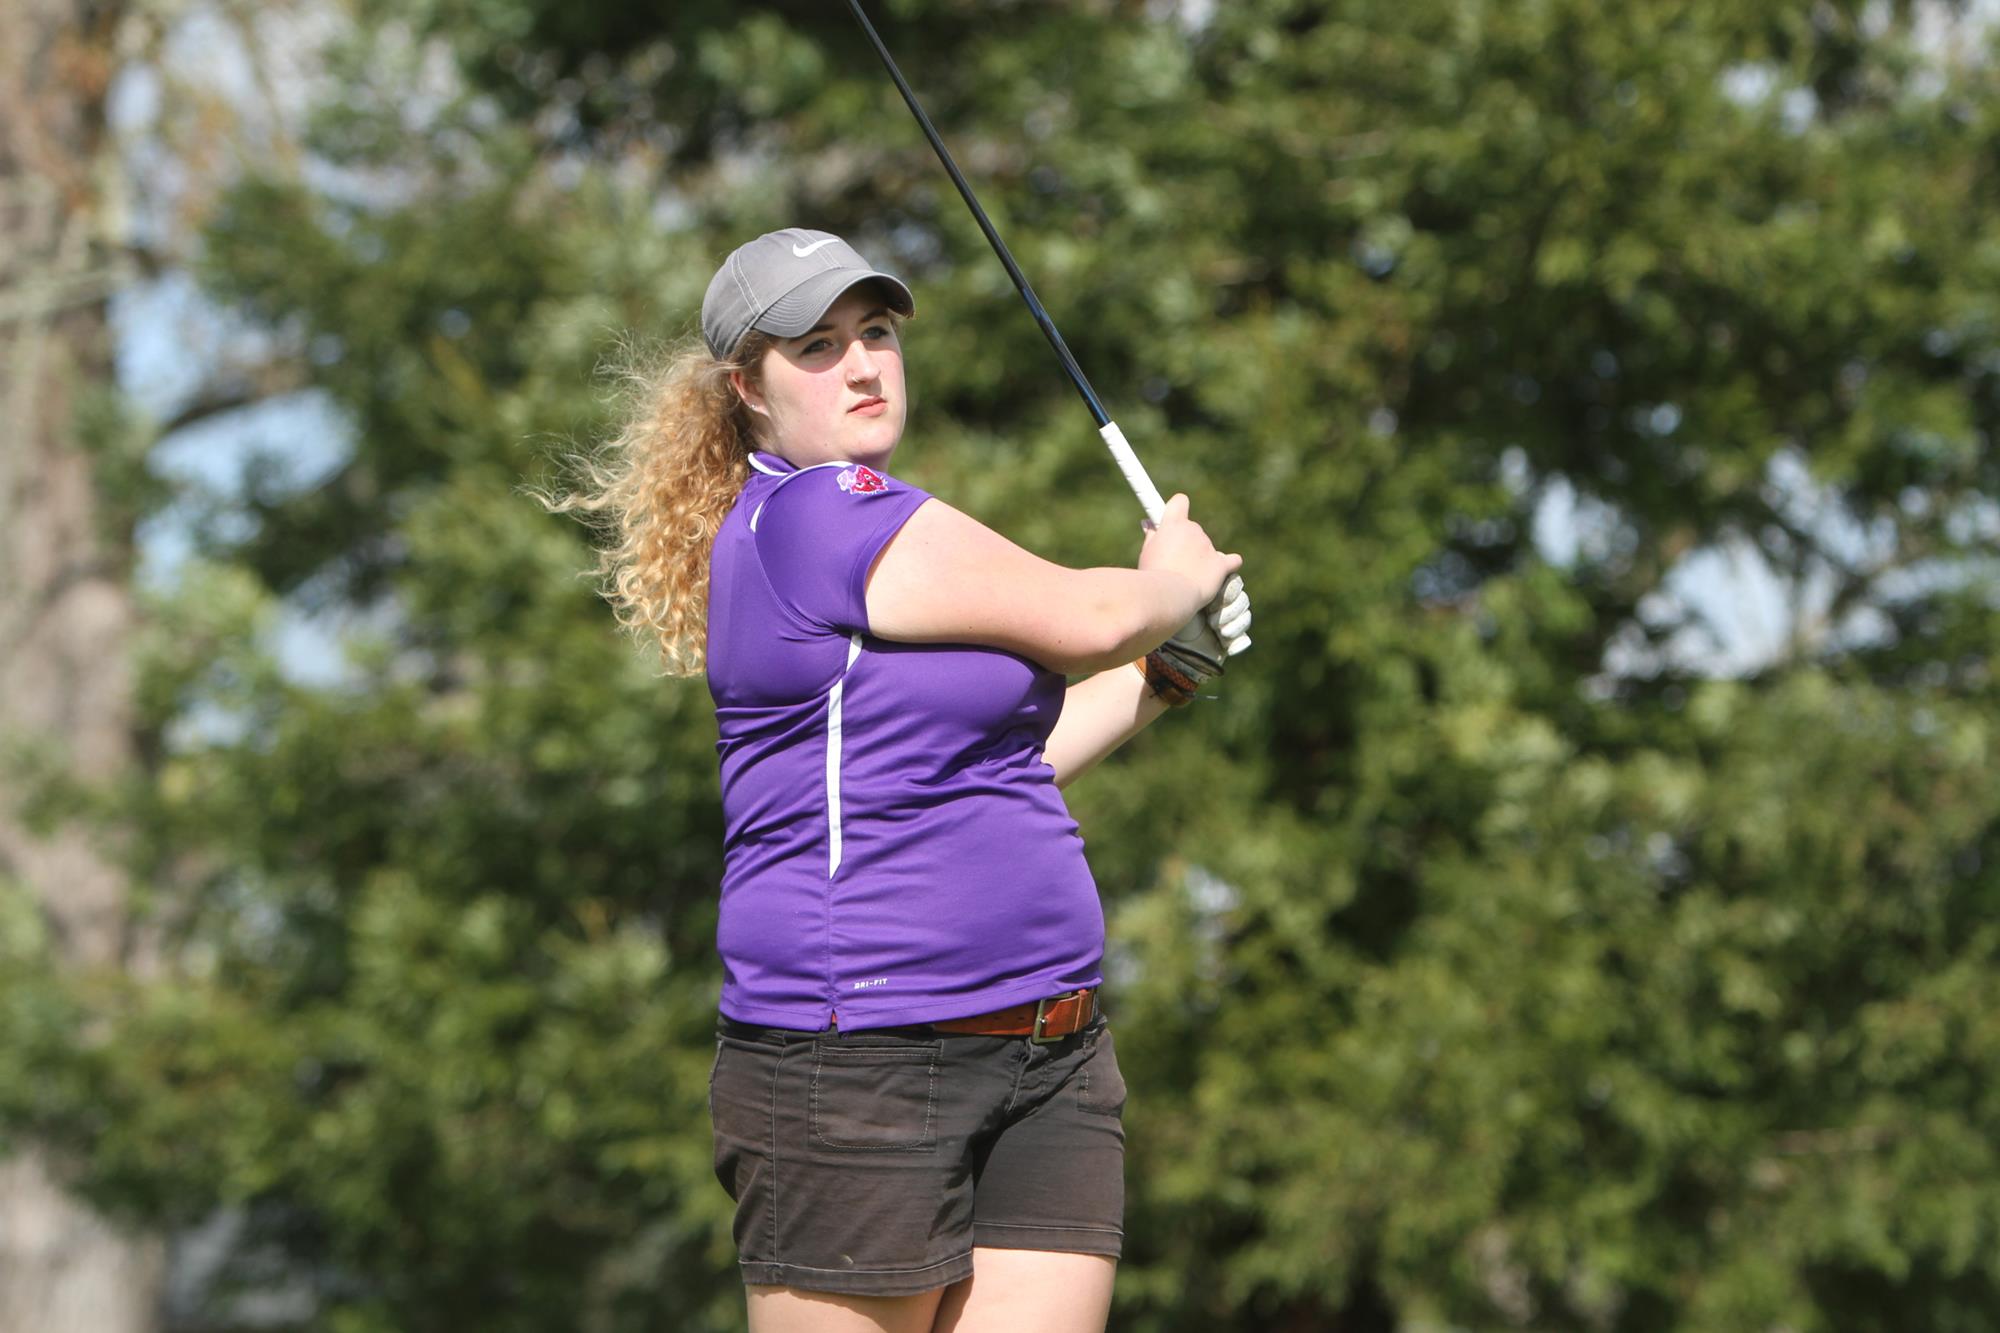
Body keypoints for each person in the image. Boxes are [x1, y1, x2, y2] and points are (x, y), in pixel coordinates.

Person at [554, 228, 1248, 1333]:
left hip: (1046, 1048)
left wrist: (1169, 668)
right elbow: (1090, 616)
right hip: (860, 1064)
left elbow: (993, 771)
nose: (864, 364)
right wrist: (1166, 583)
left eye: (874, 332)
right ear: (748, 387)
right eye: (817, 347)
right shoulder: (819, 513)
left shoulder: (864, 522)